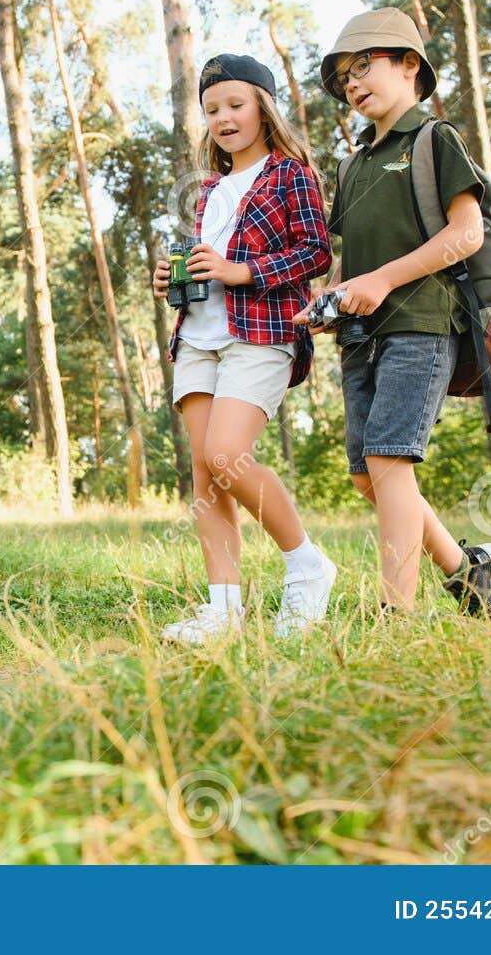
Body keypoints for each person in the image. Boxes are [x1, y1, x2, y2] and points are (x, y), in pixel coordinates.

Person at [304, 8, 491, 616]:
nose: (352, 84)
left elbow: (466, 232)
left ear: (409, 64)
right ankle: (469, 570)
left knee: (389, 459)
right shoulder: (353, 163)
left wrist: (384, 281)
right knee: (367, 474)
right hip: (359, 335)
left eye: (364, 66)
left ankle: (396, 613)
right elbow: (355, 259)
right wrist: (328, 300)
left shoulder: (433, 140)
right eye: (344, 78)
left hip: (422, 323)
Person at [150, 53, 337, 645]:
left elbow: (316, 254)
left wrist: (241, 271)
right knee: (205, 473)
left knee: (228, 454)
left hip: (260, 332)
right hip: (197, 337)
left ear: (264, 108)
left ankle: (307, 565)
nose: (224, 118)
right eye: (212, 110)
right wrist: (174, 279)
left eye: (235, 104)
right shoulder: (209, 190)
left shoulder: (290, 175)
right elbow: (211, 262)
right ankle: (223, 611)